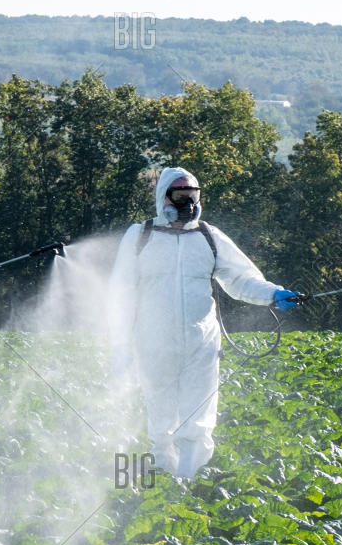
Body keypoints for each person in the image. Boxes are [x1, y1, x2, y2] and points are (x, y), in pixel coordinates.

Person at [107, 167, 301, 481]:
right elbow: (120, 292)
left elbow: (241, 279)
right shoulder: (140, 236)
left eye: (193, 195)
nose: (188, 202)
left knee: (198, 416)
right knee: (160, 414)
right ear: (164, 197)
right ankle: (157, 481)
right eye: (180, 195)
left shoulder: (208, 237)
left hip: (201, 342)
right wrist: (119, 347)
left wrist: (273, 294)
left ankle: (187, 480)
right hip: (154, 341)